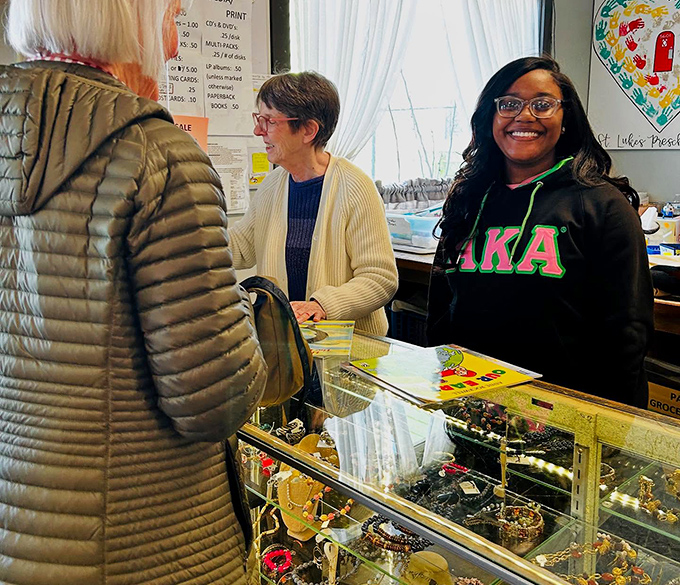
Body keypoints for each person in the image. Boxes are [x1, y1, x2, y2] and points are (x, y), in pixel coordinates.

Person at [0, 0, 273, 585]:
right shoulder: (157, 159)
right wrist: (253, 321)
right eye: (168, 15)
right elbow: (213, 400)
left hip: (25, 572)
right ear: (124, 5)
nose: (175, 44)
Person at [427, 55, 654, 408]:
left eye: (543, 104)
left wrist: (603, 426)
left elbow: (627, 332)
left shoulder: (602, 205)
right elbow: (441, 307)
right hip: (470, 405)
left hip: (563, 419)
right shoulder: (468, 200)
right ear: (491, 117)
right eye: (509, 104)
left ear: (565, 119)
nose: (525, 115)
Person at [229, 71, 398, 335]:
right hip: (293, 347)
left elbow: (380, 278)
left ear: (308, 129)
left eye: (270, 121)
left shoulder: (355, 187)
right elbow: (241, 247)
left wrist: (322, 305)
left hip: (354, 350)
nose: (258, 131)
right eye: (259, 119)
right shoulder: (273, 185)